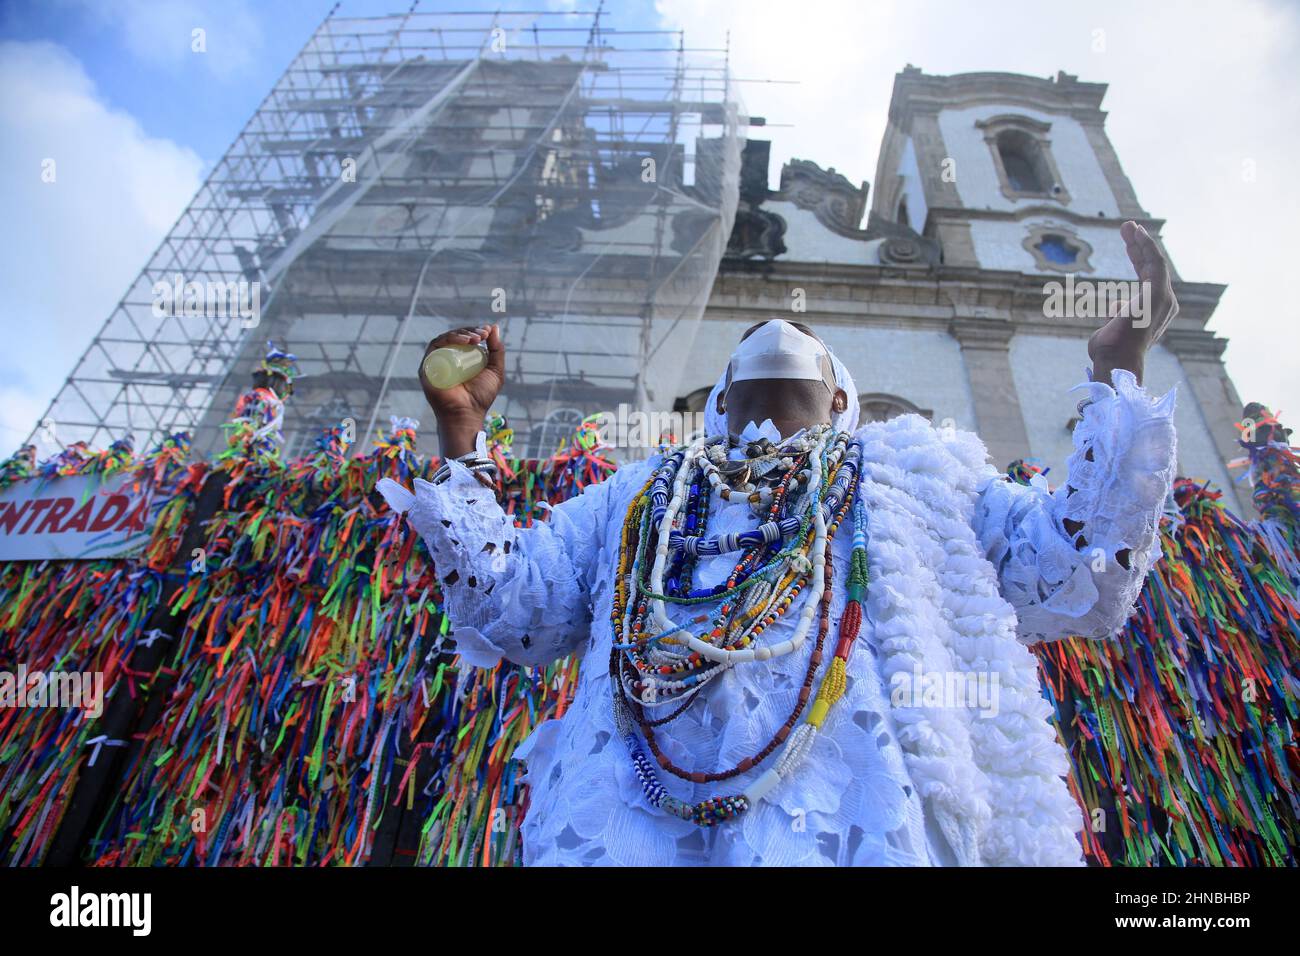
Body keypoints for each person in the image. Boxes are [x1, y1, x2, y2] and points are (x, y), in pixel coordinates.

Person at [379, 220, 1179, 866]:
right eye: (757, 329)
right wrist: (461, 428)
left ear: (839, 398)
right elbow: (514, 612)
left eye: (802, 331)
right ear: (719, 399)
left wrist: (1120, 367)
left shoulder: (922, 469)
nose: (779, 327)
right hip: (625, 824)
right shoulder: (639, 490)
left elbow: (1075, 573)